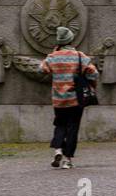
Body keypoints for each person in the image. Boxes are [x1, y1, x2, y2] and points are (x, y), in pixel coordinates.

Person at [39, 26, 98, 169]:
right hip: (76, 99)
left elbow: (41, 69)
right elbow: (94, 74)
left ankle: (57, 149)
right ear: (71, 39)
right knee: (73, 127)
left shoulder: (53, 57)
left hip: (58, 99)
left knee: (59, 124)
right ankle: (67, 160)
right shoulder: (80, 56)